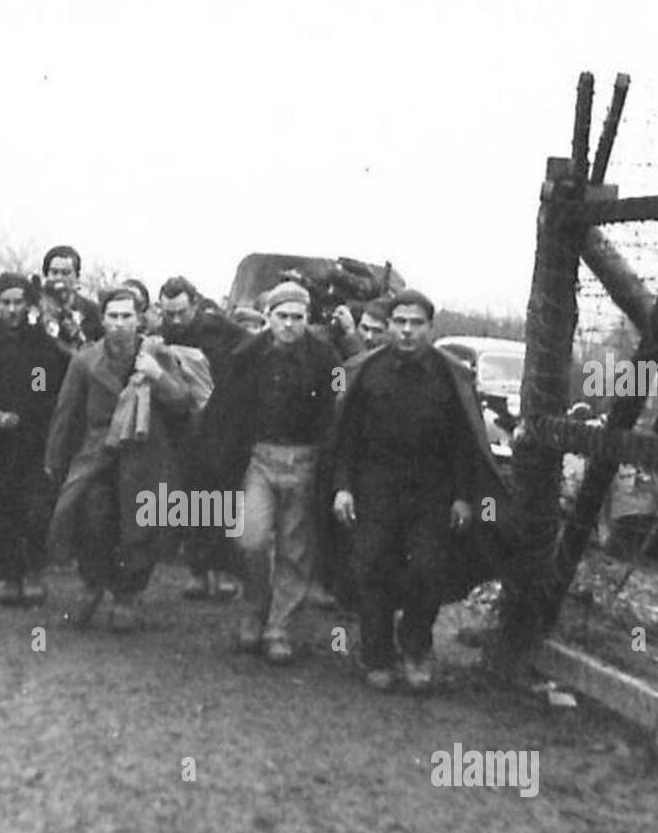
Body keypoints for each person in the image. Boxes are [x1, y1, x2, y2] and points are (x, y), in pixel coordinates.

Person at [331, 290, 509, 690]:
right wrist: (342, 487)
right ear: (389, 324)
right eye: (400, 322)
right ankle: (377, 655)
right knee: (371, 567)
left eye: (416, 323)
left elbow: (468, 442)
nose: (407, 331)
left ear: (430, 328)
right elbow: (345, 437)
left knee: (426, 570)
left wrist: (464, 495)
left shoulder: (452, 375)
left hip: (432, 491)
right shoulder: (363, 371)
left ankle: (415, 648)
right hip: (374, 487)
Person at [197, 281, 340, 664]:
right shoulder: (247, 355)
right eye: (282, 316)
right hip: (259, 458)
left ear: (308, 319)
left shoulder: (326, 359)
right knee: (250, 537)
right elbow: (226, 404)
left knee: (295, 548)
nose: (290, 324)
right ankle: (255, 606)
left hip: (305, 460)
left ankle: (280, 625)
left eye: (298, 317)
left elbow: (334, 412)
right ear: (268, 318)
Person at [45, 288, 195, 631]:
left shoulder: (157, 354)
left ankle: (127, 596)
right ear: (103, 320)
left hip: (145, 453)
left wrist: (157, 376)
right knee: (92, 516)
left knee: (140, 526)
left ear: (139, 318)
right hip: (99, 452)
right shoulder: (85, 360)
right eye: (113, 316)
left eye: (127, 316)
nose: (120, 323)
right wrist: (55, 457)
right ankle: (92, 584)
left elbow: (183, 401)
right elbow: (66, 412)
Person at [0, 272, 71, 605]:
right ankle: (9, 575)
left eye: (17, 303)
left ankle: (34, 572)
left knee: (35, 509)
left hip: (32, 441)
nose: (11, 310)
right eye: (5, 303)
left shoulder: (39, 341)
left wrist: (27, 413)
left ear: (27, 304)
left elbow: (46, 385)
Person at [157, 275, 250, 601]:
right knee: (190, 493)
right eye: (170, 313)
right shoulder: (163, 332)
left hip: (224, 422)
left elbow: (250, 354)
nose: (177, 319)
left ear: (195, 304)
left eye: (182, 311)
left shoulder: (220, 328)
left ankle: (225, 570)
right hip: (183, 422)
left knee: (224, 493)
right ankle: (198, 570)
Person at [40, 244, 103, 346]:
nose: (59, 278)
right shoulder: (34, 307)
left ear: (77, 276)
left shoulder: (91, 311)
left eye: (66, 273)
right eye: (54, 272)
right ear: (46, 275)